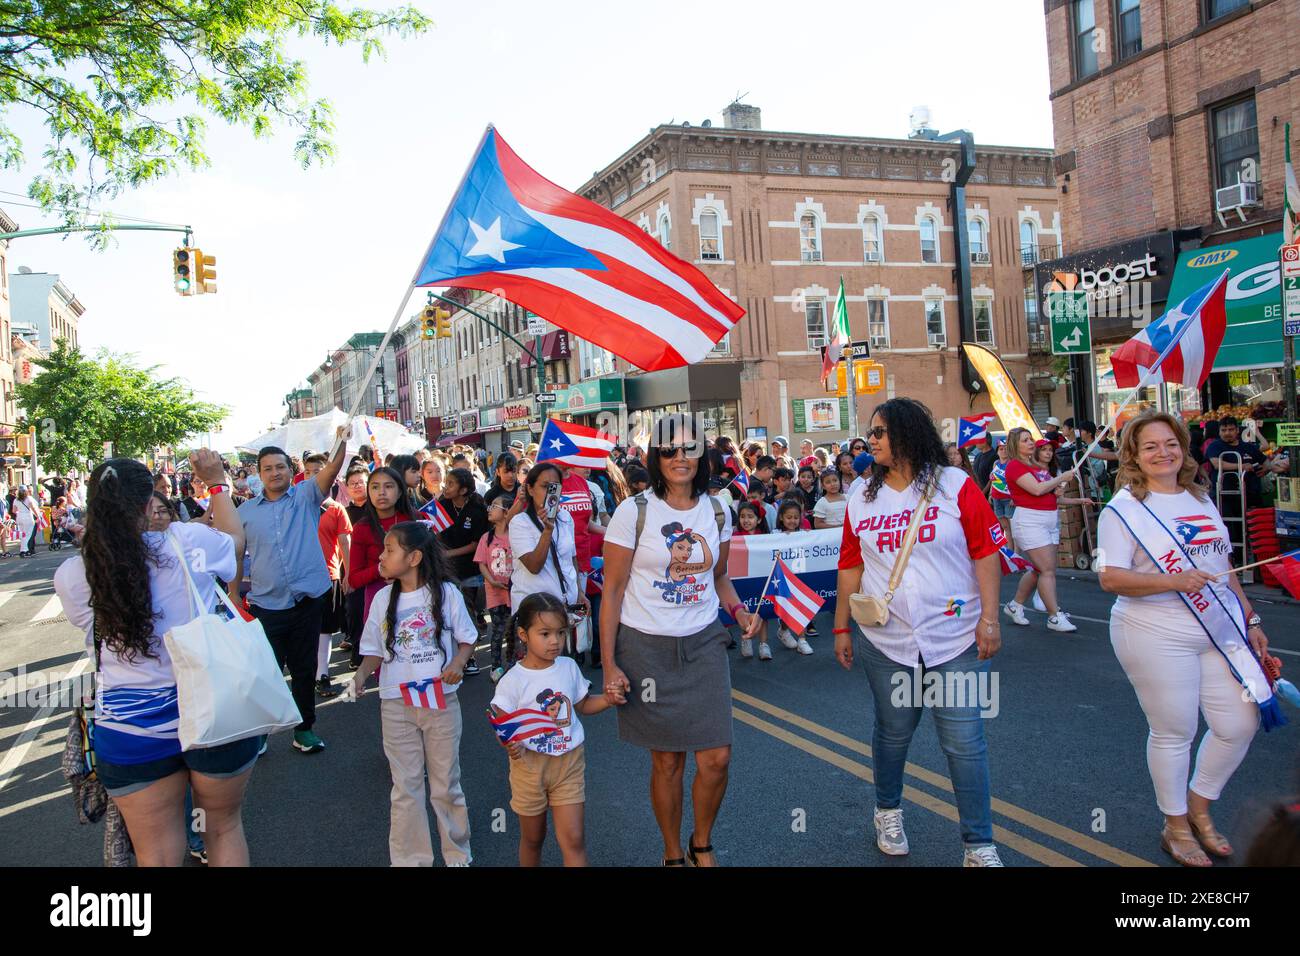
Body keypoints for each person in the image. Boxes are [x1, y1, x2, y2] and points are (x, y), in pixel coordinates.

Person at [54, 452, 256, 866]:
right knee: (222, 828)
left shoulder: (75, 574)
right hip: (210, 709)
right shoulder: (188, 541)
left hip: (130, 725)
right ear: (150, 503)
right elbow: (236, 542)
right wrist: (217, 483)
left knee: (156, 854)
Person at [1097, 411, 1277, 868]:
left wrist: (1251, 620)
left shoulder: (1200, 497)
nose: (1164, 452)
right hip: (1153, 631)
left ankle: (1198, 807)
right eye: (1151, 446)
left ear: (1184, 448)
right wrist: (1172, 581)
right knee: (1175, 730)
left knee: (1240, 724)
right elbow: (1111, 578)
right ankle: (1175, 825)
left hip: (1218, 629)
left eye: (1171, 443)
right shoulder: (1123, 509)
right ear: (1134, 455)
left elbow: (1223, 570)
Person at [832, 398, 1005, 866]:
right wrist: (840, 628)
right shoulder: (860, 497)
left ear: (908, 435)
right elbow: (850, 566)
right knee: (893, 734)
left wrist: (990, 618)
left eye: (881, 432)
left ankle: (979, 845)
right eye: (872, 433)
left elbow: (985, 553)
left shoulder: (955, 485)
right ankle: (887, 811)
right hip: (888, 644)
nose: (872, 440)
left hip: (954, 640)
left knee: (964, 743)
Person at [599, 414, 762, 867]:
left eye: (689, 448)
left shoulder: (717, 509)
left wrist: (739, 611)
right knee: (667, 761)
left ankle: (702, 842)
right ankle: (673, 853)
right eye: (669, 450)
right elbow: (611, 592)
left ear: (702, 454)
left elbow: (722, 577)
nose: (679, 457)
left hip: (704, 642)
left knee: (716, 757)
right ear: (656, 457)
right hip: (646, 647)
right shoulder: (634, 512)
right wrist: (610, 664)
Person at [349, 521, 476, 867]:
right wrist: (360, 675)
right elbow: (373, 650)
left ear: (415, 557)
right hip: (395, 702)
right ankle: (410, 859)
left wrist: (459, 663)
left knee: (445, 782)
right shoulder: (381, 598)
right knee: (404, 786)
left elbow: (467, 638)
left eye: (390, 550)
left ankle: (456, 854)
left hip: (440, 700)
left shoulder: (446, 593)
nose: (381, 555)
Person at [232, 431, 348, 755]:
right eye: (267, 468)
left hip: (307, 600)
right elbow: (237, 555)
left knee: (304, 669)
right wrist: (232, 594)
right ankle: (261, 733)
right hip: (266, 604)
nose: (274, 473)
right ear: (259, 473)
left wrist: (341, 441)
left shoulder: (306, 496)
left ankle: (305, 729)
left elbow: (332, 469)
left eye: (280, 467)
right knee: (266, 672)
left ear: (290, 469)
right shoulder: (245, 513)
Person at [490, 591, 614, 866]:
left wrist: (608, 699)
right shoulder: (512, 681)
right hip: (529, 768)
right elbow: (503, 726)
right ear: (523, 634)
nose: (555, 641)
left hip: (569, 763)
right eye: (544, 634)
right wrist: (508, 743)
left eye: (560, 632)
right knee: (534, 839)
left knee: (574, 839)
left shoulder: (568, 667)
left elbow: (583, 705)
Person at [1001, 430, 1081, 633]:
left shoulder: (1033, 466)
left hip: (1048, 519)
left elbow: (1046, 490)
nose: (1030, 443)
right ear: (1014, 445)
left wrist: (1057, 489)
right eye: (1025, 440)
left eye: (1030, 439)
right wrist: (1060, 478)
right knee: (1046, 570)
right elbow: (1036, 489)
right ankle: (1054, 616)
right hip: (1030, 521)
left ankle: (1016, 605)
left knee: (1040, 570)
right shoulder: (1014, 466)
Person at [508, 461, 587, 626]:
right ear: (530, 489)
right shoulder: (520, 522)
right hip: (535, 613)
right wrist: (547, 530)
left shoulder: (565, 517)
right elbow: (534, 566)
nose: (551, 493)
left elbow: (570, 559)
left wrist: (579, 591)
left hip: (565, 609)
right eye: (545, 486)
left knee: (566, 652)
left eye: (555, 487)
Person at [302, 453, 352, 698]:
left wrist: (348, 574)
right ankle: (306, 672)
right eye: (309, 471)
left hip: (328, 575)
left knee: (324, 629)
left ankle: (322, 674)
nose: (314, 476)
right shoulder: (296, 505)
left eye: (319, 470)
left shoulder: (336, 509)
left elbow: (345, 542)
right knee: (302, 629)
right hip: (300, 578)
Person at [349, 466, 420, 623]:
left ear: (400, 491)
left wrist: (403, 573)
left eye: (388, 486)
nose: (381, 492)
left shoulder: (415, 519)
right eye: (375, 487)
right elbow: (354, 579)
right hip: (378, 599)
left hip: (416, 595)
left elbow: (431, 559)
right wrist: (381, 569)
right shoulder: (362, 528)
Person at [437, 467, 489, 675]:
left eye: (451, 483)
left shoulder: (477, 510)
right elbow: (435, 531)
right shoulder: (441, 506)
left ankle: (470, 657)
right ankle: (460, 656)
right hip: (447, 570)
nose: (445, 487)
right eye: (446, 482)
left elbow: (477, 544)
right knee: (451, 613)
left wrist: (451, 554)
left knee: (468, 612)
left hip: (471, 568)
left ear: (464, 489)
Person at [476, 496, 514, 682]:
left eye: (494, 506)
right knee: (498, 629)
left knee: (513, 628)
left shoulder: (515, 535)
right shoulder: (486, 537)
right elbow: (482, 564)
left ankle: (513, 663)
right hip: (494, 591)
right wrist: (491, 580)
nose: (489, 509)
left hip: (513, 591)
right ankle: (496, 666)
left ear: (507, 512)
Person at [773, 498, 816, 654]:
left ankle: (802, 640)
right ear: (781, 518)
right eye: (789, 517)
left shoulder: (803, 534)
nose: (792, 521)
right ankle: (783, 630)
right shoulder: (774, 534)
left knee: (801, 607)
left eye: (796, 517)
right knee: (786, 612)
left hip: (799, 577)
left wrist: (809, 537)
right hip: (782, 578)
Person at [984, 439, 1014, 545]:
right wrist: (991, 494)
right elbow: (994, 480)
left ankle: (1014, 552)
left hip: (1008, 498)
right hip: (996, 498)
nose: (1003, 451)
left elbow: (1016, 482)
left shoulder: (1011, 463)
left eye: (1006, 448)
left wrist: (1014, 497)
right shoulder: (995, 463)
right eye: (1001, 449)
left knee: (1011, 528)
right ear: (997, 451)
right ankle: (1010, 552)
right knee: (1005, 527)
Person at [13, 486, 40, 557]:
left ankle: (25, 550)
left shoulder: (16, 500)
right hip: (28, 517)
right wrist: (38, 516)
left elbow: (14, 511)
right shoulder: (28, 499)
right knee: (28, 535)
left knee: (23, 535)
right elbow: (33, 508)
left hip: (19, 517)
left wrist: (20, 511)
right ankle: (23, 551)